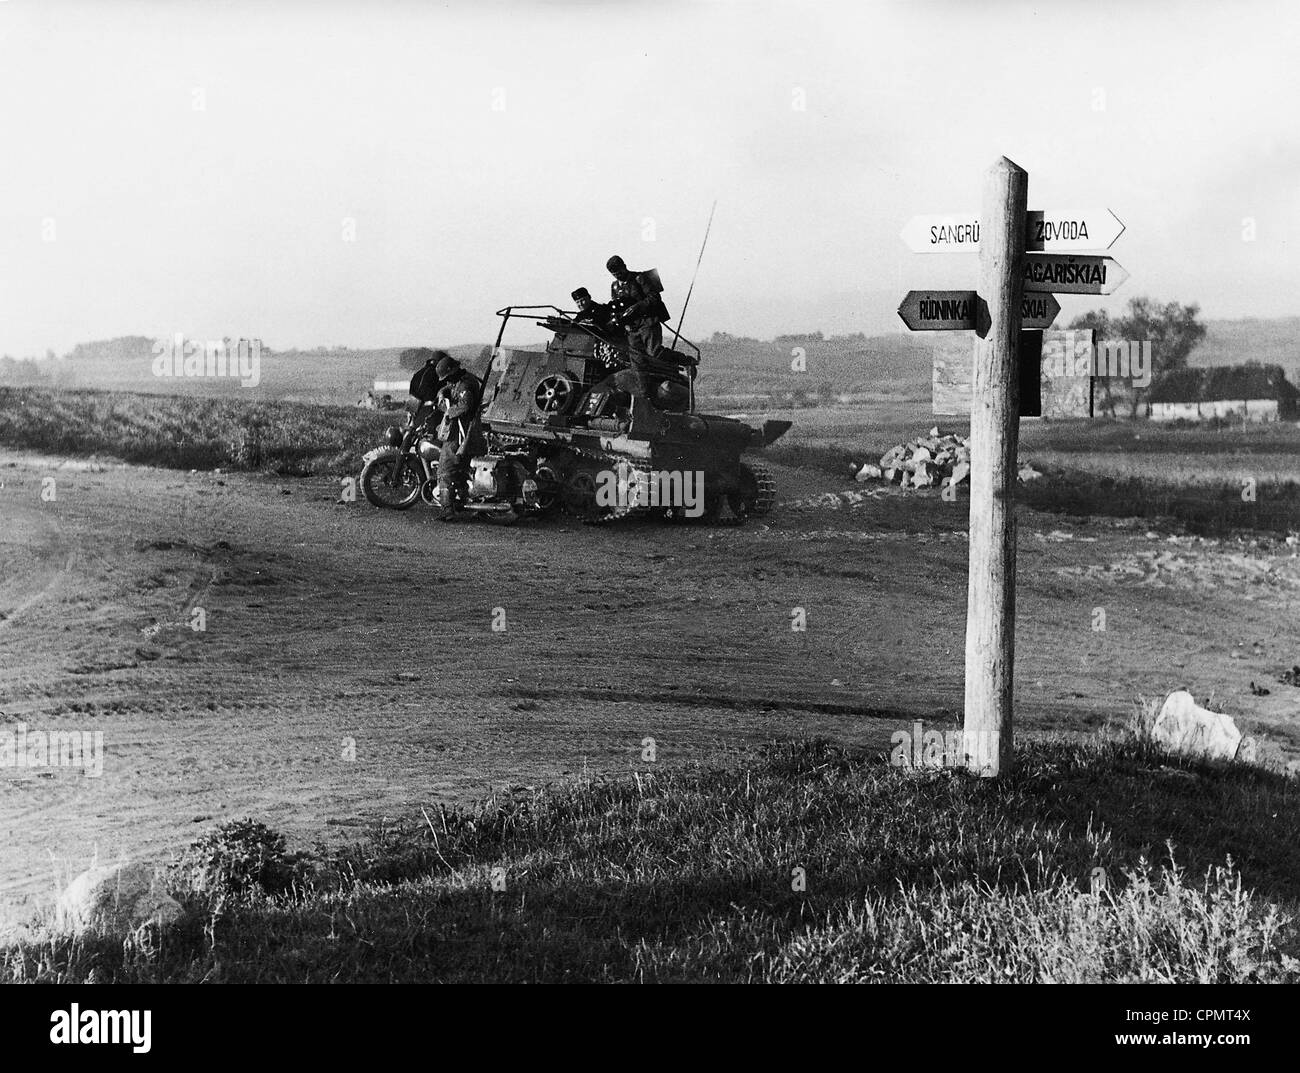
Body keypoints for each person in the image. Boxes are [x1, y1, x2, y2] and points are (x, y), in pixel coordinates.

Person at [432, 354, 484, 521]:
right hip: (462, 432)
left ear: (453, 372)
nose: (447, 381)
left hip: (460, 434)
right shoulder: (461, 381)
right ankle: (461, 502)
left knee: (445, 471)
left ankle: (447, 510)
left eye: (448, 377)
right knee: (459, 471)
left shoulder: (465, 384)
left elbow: (465, 405)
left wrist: (448, 411)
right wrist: (442, 393)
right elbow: (448, 388)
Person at [607, 255, 670, 374]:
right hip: (632, 329)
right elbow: (616, 305)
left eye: (619, 272)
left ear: (624, 267)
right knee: (638, 363)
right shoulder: (615, 286)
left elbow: (655, 298)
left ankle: (683, 360)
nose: (618, 276)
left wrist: (637, 307)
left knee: (654, 353)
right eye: (614, 274)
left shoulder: (640, 278)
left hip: (648, 323)